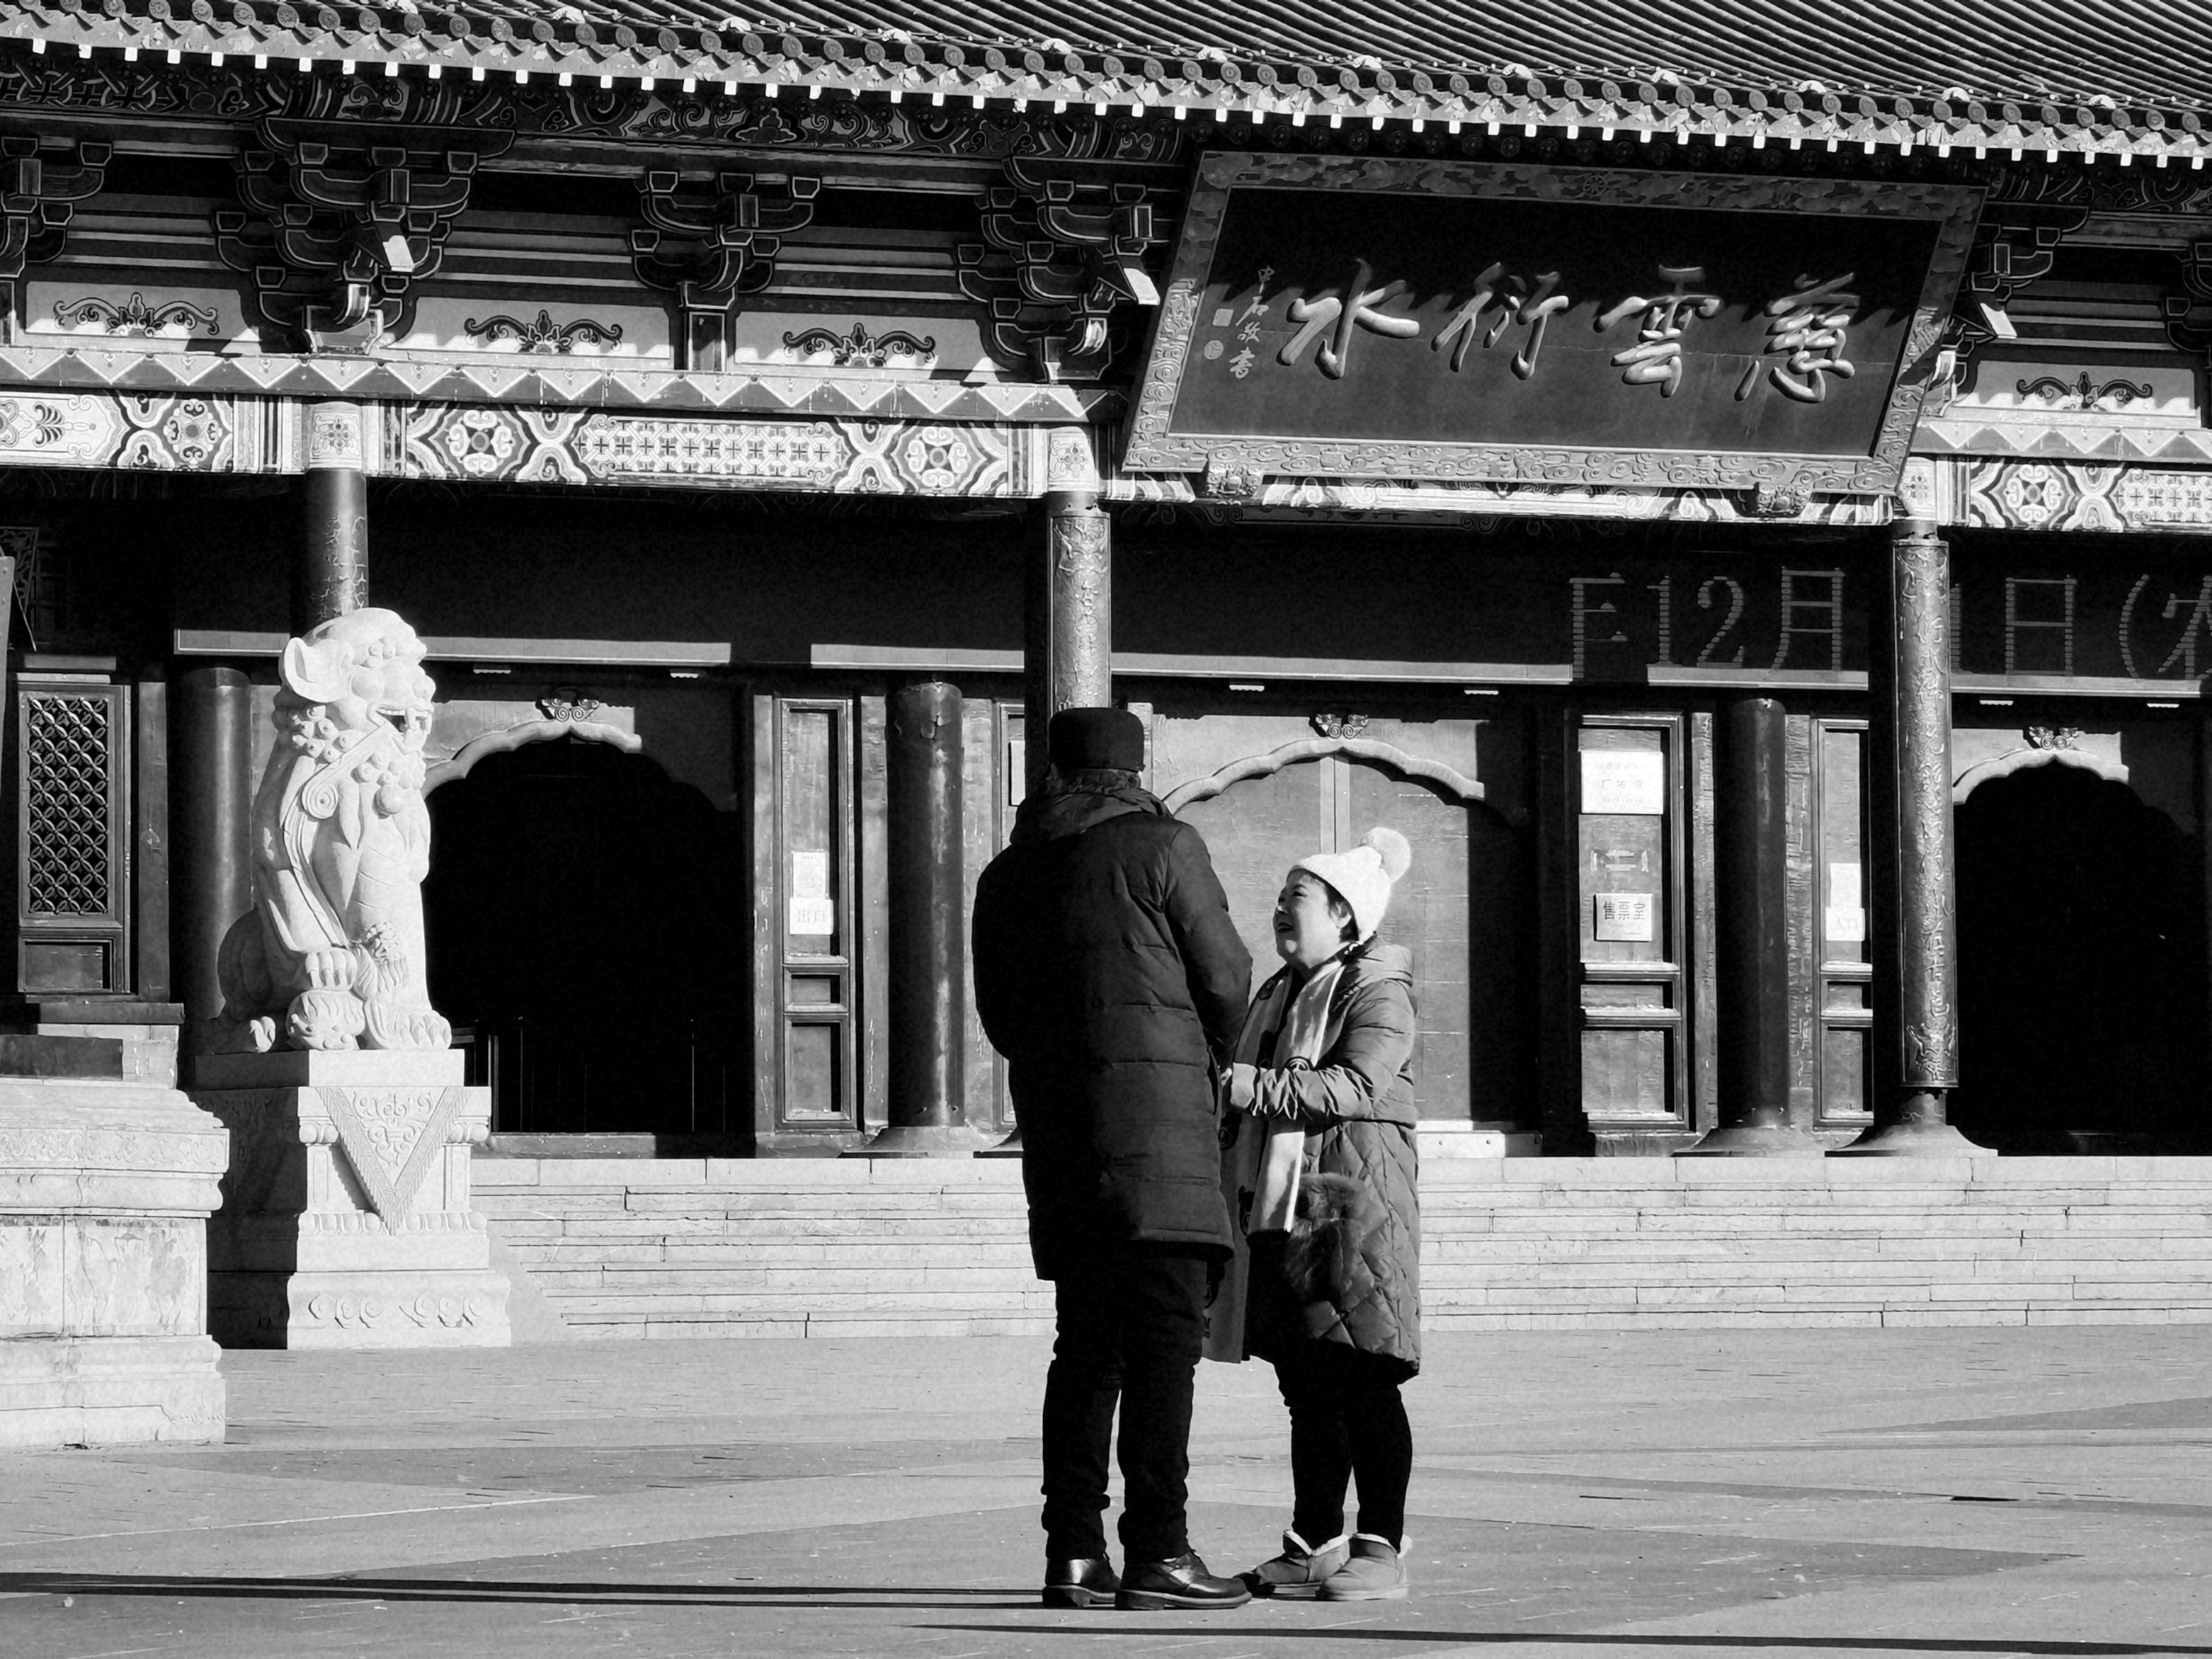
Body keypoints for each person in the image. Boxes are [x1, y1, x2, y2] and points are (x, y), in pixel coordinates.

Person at [971, 706, 1255, 1612]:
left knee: (1085, 1351)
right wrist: (1210, 1058)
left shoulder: (1008, 873)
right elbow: (1226, 979)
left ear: (1055, 770)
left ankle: (1073, 1555)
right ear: (1136, 767)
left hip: (1063, 1143)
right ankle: (1161, 1553)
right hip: (1163, 1139)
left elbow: (1001, 1023)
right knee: (1166, 1347)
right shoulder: (1163, 846)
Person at [1210, 825, 1423, 1603]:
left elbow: (1355, 1088)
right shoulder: (1280, 991)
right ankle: (1313, 1544)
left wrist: (1243, 1087)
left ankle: (1382, 1546)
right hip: (1278, 1205)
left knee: (1363, 1374)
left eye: (1294, 898)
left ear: (1344, 914)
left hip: (1350, 1209)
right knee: (1307, 1382)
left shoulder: (1376, 989)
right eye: (1278, 897)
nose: (1278, 910)